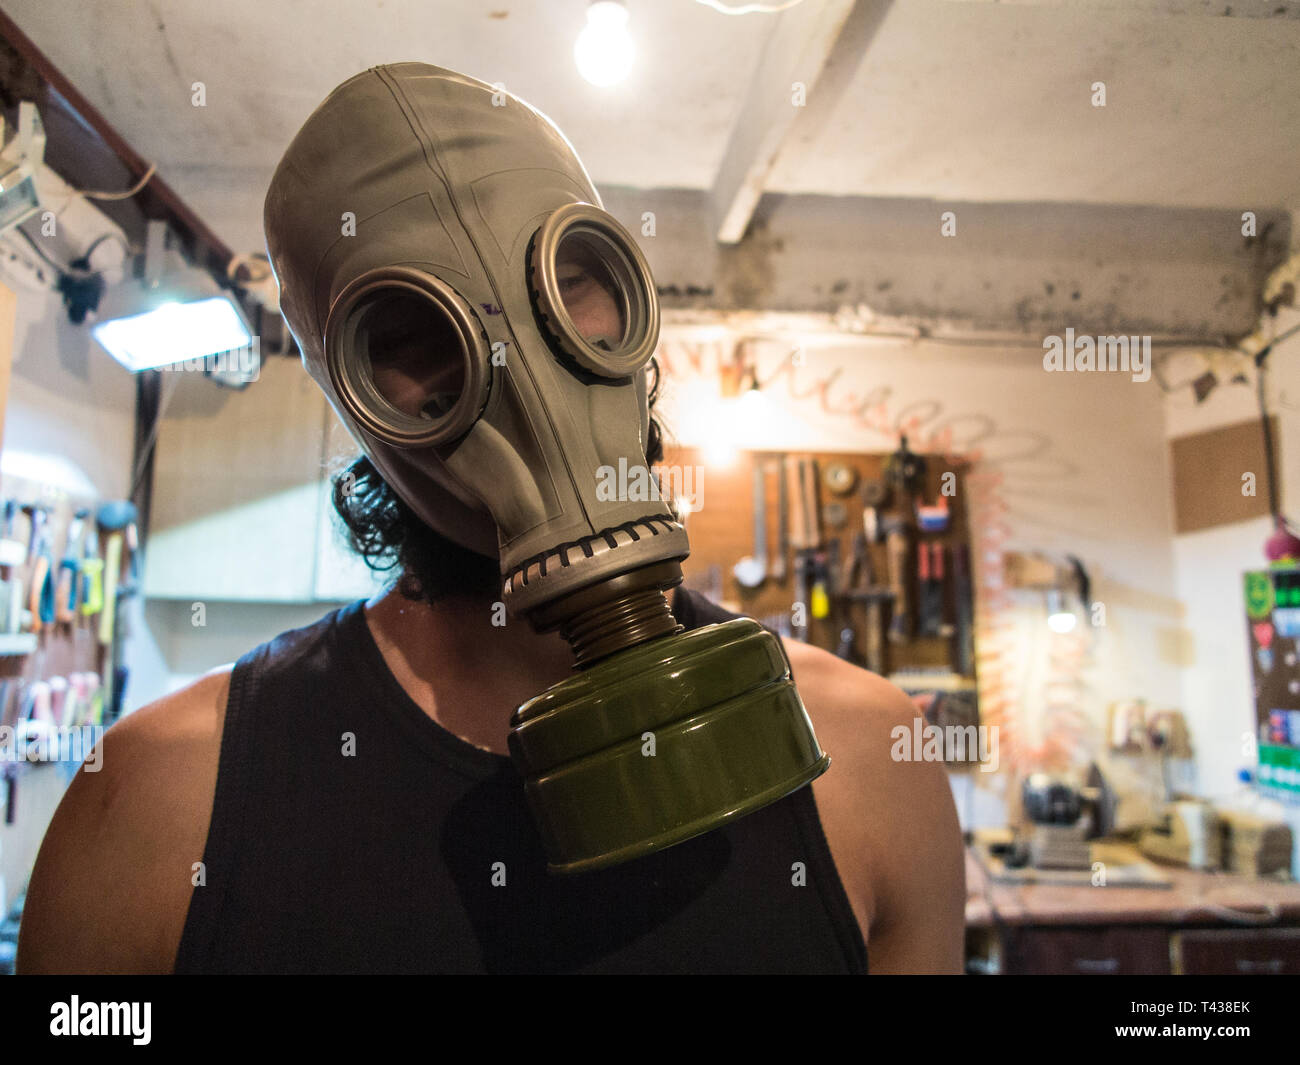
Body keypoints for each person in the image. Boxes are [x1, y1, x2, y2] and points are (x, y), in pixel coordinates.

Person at [17, 64, 963, 975]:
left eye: (565, 282)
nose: (528, 386)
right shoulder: (154, 802)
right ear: (356, 410)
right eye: (414, 334)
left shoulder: (875, 759)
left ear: (630, 302)